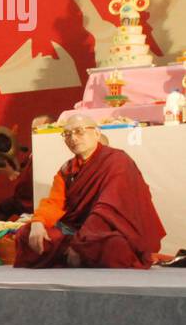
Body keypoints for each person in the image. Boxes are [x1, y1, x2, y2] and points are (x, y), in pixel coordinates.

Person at [14, 114, 165, 269]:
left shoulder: (118, 161)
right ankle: (75, 256)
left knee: (114, 246)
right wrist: (38, 222)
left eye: (79, 131)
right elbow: (54, 203)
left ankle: (72, 255)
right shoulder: (67, 169)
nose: (73, 138)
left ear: (97, 133)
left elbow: (107, 208)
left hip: (106, 230)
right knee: (25, 235)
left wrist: (80, 243)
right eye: (67, 134)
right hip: (76, 232)